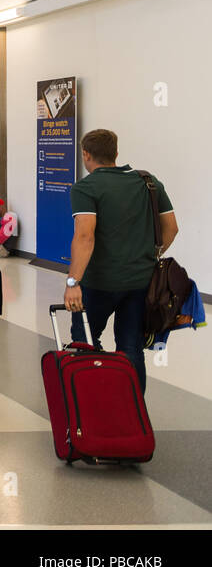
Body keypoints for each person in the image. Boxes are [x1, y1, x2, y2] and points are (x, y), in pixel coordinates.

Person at [66, 129, 178, 395]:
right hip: (142, 282)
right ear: (116, 154)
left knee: (84, 341)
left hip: (98, 283)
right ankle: (131, 409)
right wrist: (151, 256)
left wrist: (73, 282)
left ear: (86, 154)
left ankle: (89, 404)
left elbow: (85, 236)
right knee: (130, 347)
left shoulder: (86, 188)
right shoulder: (149, 182)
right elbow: (171, 228)